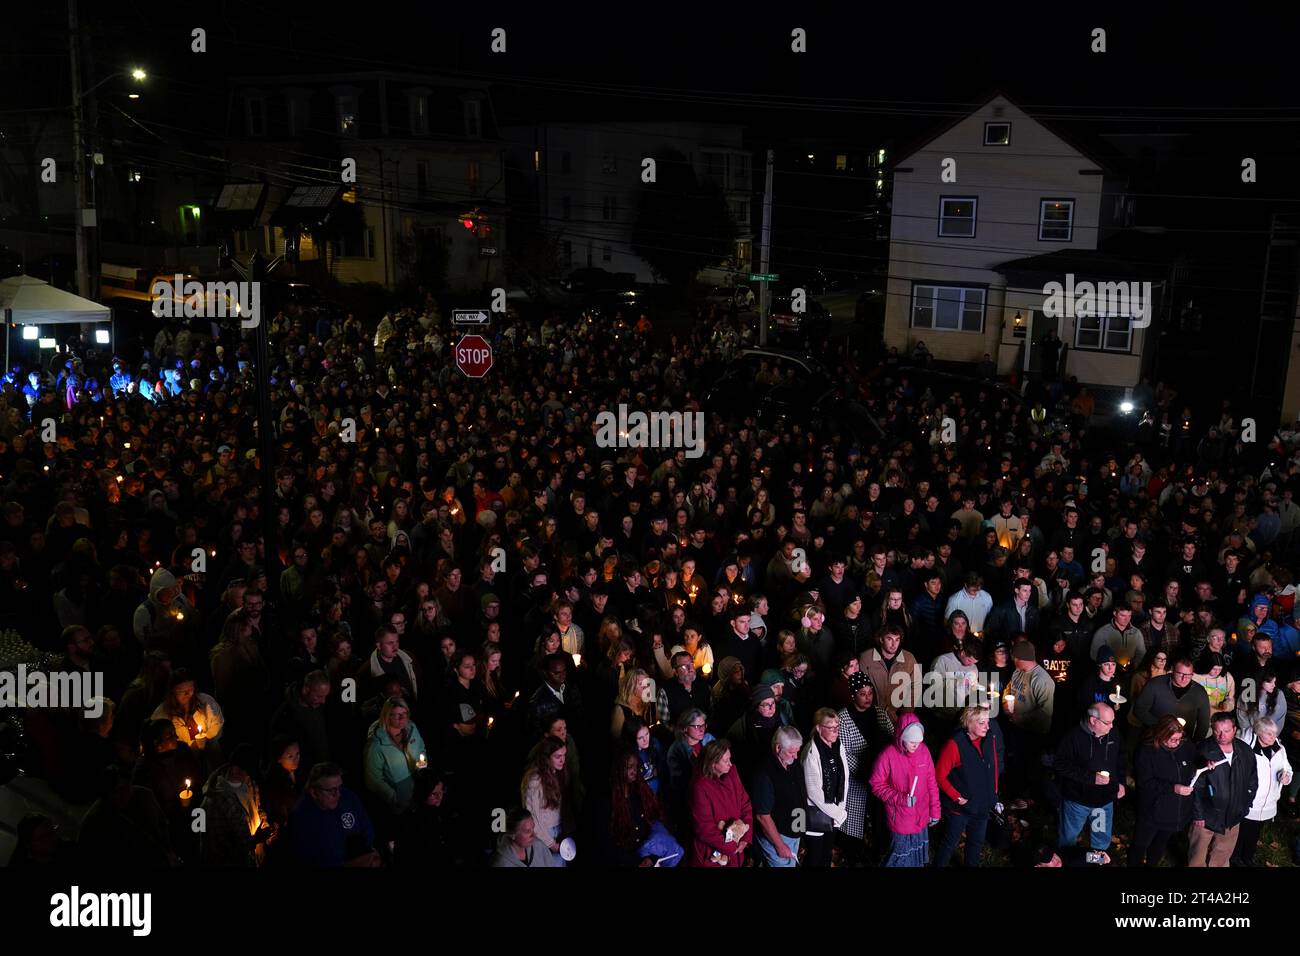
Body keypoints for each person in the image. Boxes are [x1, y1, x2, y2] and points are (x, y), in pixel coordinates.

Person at [935, 706, 1004, 867]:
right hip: (960, 809)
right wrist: (958, 798)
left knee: (976, 844)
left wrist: (993, 794)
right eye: (982, 723)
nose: (987, 726)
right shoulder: (954, 744)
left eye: (987, 722)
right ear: (969, 723)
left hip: (982, 806)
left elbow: (993, 767)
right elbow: (939, 775)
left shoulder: (989, 739)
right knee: (949, 844)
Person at [1188, 712, 1259, 867]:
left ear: (1234, 729)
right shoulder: (1202, 751)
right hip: (1206, 817)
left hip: (1233, 816)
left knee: (1222, 855)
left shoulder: (1245, 751)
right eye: (1217, 731)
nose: (1221, 735)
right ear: (1211, 729)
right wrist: (1198, 815)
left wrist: (1245, 806)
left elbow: (1252, 780)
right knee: (1196, 857)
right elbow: (1195, 788)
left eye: (1226, 731)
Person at [870, 713, 940, 867]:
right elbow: (876, 784)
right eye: (912, 742)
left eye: (919, 741)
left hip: (920, 815)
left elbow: (931, 783)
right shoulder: (887, 755)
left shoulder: (924, 751)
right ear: (901, 737)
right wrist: (901, 798)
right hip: (900, 818)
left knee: (915, 857)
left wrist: (935, 811)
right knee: (899, 857)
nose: (916, 745)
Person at [1055, 702, 1124, 853]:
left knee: (1100, 838)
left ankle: (1098, 862)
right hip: (1078, 800)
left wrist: (1120, 782)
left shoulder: (1114, 734)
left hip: (1103, 801)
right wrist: (1091, 778)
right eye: (1107, 722)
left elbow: (1119, 759)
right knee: (1069, 836)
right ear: (1093, 720)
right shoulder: (1073, 737)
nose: (1111, 726)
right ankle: (1066, 859)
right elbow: (1061, 764)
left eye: (1113, 721)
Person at [837, 672, 893, 856]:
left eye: (870, 693)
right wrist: (866, 774)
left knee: (880, 817)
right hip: (858, 778)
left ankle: (880, 851)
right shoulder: (843, 719)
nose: (868, 697)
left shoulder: (879, 713)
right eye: (863, 693)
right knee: (855, 819)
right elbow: (843, 752)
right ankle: (854, 853)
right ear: (853, 695)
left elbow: (892, 737)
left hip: (881, 778)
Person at [1130, 715, 1196, 867]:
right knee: (1140, 844)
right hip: (1152, 810)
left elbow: (1194, 759)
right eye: (1173, 739)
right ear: (1161, 734)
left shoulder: (1184, 746)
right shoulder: (1147, 751)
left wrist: (1205, 763)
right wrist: (1173, 787)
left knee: (1160, 844)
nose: (1177, 743)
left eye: (1179, 739)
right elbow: (1145, 782)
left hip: (1172, 812)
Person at [286, 762, 379, 867]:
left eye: (339, 787)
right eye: (331, 790)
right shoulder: (300, 818)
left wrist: (369, 853)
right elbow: (307, 858)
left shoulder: (348, 797)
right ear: (314, 792)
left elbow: (366, 826)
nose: (338, 794)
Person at [1233, 716, 1293, 866]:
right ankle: (1235, 857)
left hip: (1269, 801)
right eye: (1269, 734)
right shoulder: (1247, 749)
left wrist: (1286, 777)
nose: (1274, 737)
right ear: (1259, 732)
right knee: (1243, 830)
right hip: (1251, 800)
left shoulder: (1279, 749)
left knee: (1255, 832)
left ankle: (1248, 856)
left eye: (1275, 733)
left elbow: (1288, 769)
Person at [199, 743, 271, 867]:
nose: (245, 775)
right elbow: (218, 845)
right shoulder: (214, 800)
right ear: (233, 766)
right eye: (242, 768)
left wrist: (264, 827)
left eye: (248, 771)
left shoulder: (249, 782)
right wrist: (255, 841)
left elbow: (257, 808)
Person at [689, 739, 753, 867]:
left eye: (730, 759)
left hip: (735, 851)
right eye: (725, 761)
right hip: (712, 854)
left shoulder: (732, 773)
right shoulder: (699, 786)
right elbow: (704, 827)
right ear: (713, 764)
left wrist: (745, 838)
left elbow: (745, 805)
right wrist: (731, 847)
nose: (730, 764)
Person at [751, 726, 807, 867]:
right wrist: (780, 845)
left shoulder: (792, 764)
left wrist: (800, 833)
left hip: (794, 832)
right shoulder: (764, 774)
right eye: (791, 752)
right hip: (778, 837)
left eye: (797, 751)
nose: (795, 756)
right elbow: (763, 816)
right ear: (777, 748)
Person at [800, 707, 849, 867]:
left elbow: (845, 778)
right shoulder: (811, 752)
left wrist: (840, 807)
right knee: (815, 857)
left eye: (837, 727)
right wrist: (837, 813)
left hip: (834, 813)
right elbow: (813, 792)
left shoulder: (838, 746)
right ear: (819, 728)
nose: (835, 731)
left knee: (827, 854)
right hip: (816, 814)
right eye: (830, 727)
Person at [362, 697, 427, 817]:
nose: (402, 718)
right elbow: (373, 780)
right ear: (387, 716)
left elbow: (421, 749)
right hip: (397, 807)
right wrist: (394, 797)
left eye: (404, 713)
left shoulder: (412, 729)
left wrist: (422, 767)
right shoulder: (376, 745)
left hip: (419, 795)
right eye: (396, 715)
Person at [1134, 658, 1211, 741]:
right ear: (1172, 670)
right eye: (1180, 674)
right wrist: (1163, 727)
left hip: (1183, 741)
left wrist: (1195, 744)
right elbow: (1139, 710)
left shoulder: (1199, 692)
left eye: (1188, 675)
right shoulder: (1154, 684)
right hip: (1155, 738)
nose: (1184, 678)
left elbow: (1203, 724)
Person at [521, 736, 571, 859]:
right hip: (543, 835)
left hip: (557, 832)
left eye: (564, 755)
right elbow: (531, 817)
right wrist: (551, 843)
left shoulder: (555, 773)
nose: (562, 760)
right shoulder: (535, 781)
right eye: (557, 756)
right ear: (546, 758)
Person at [491, 808, 561, 868]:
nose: (533, 835)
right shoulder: (501, 862)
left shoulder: (539, 846)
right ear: (512, 834)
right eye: (527, 831)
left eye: (533, 828)